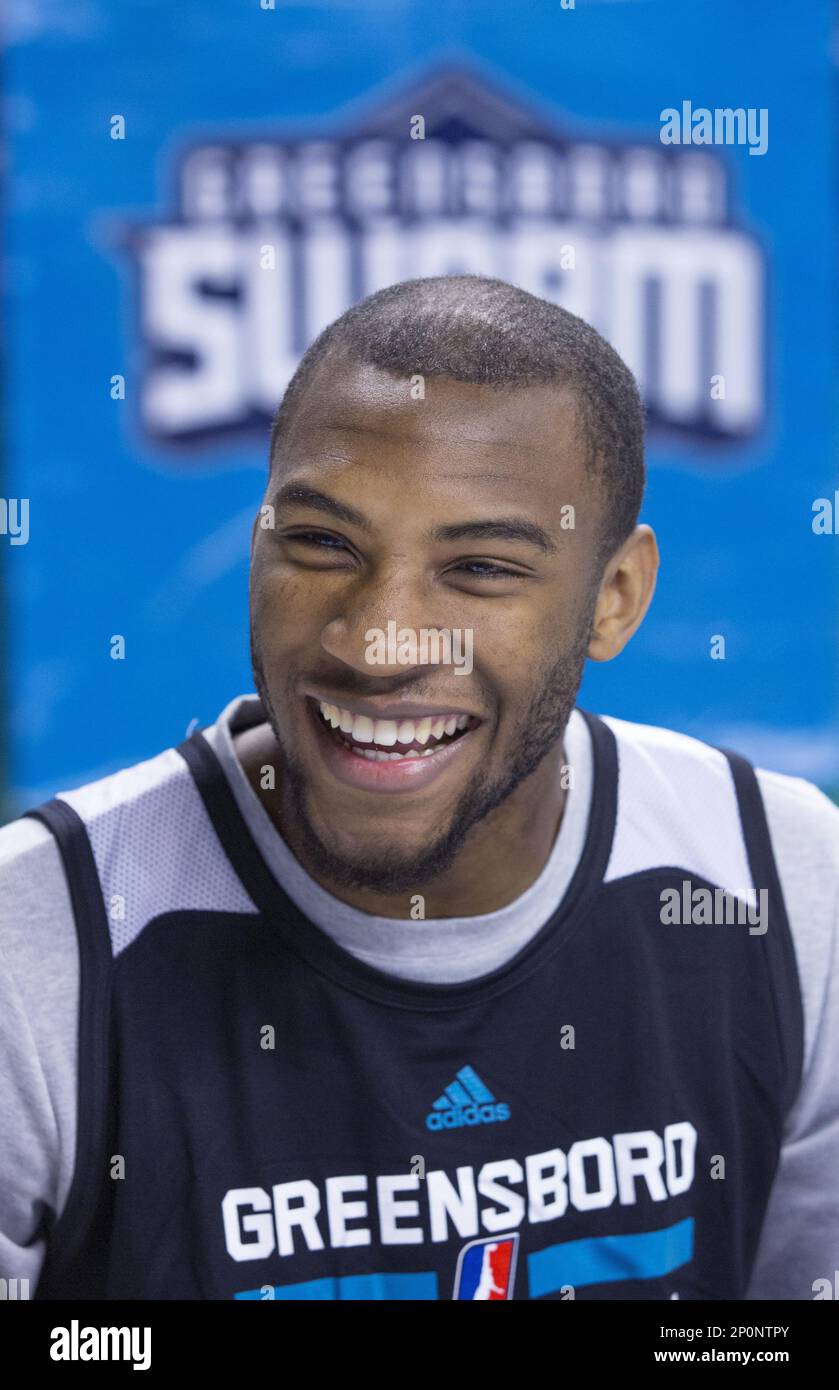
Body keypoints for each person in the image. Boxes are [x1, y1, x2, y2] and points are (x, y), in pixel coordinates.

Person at [1, 275, 836, 1301]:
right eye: (321, 544)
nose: (376, 641)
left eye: (480, 567)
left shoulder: (778, 879)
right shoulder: (34, 942)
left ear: (612, 600)